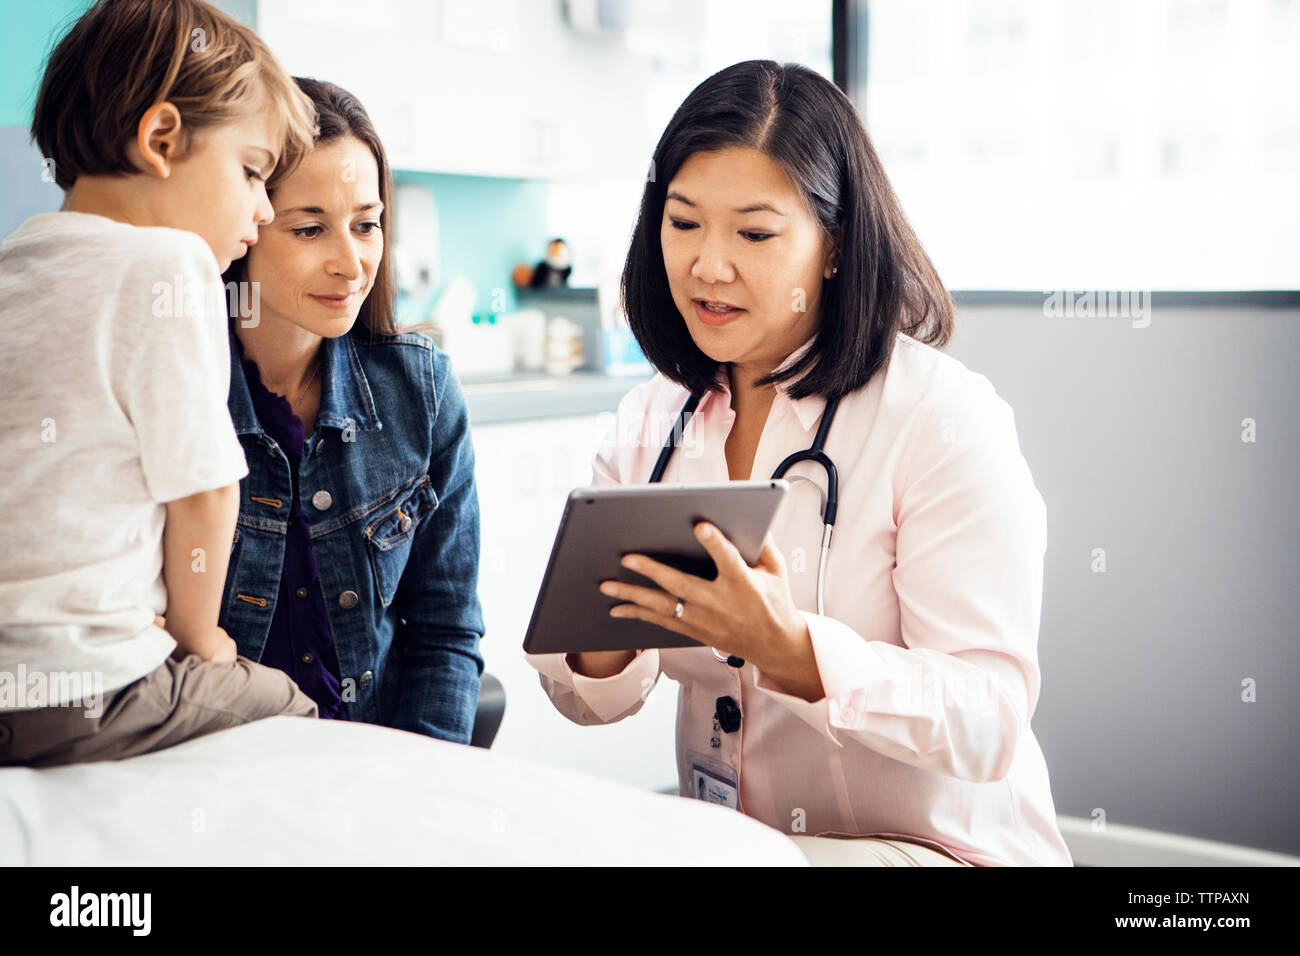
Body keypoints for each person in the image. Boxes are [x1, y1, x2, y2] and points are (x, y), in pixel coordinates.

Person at [526, 60, 1073, 866]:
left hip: (941, 850)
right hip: (746, 845)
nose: (709, 266)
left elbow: (987, 721)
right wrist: (602, 640)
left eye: (754, 233)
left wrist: (793, 650)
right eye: (683, 224)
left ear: (834, 246)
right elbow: (587, 697)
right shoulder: (655, 420)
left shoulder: (939, 417)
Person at [0, 0, 319, 767]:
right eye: (251, 172)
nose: (264, 210)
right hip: (93, 692)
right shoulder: (169, 268)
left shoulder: (14, 270)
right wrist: (199, 641)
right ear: (161, 139)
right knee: (295, 708)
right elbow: (206, 492)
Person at [216, 78, 485, 743]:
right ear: (245, 223)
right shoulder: (174, 388)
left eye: (367, 224)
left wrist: (421, 781)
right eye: (309, 228)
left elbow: (447, 632)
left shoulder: (420, 391)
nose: (351, 262)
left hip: (375, 770)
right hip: (214, 771)